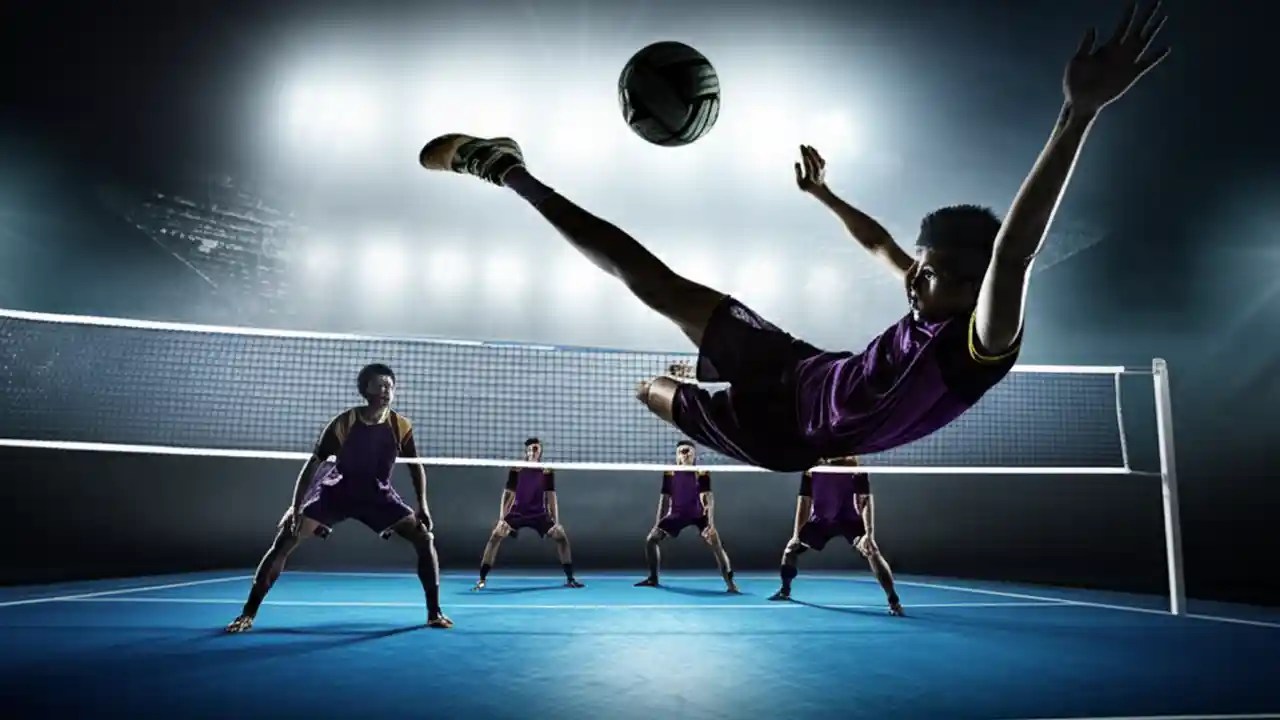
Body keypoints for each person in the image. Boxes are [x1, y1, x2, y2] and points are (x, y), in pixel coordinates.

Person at [416, 2, 1169, 472]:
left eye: (934, 273)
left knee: (653, 392)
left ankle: (667, 380)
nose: (915, 277)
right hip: (801, 366)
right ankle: (507, 169)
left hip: (789, 436)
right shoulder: (925, 294)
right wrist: (826, 195)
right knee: (650, 281)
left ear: (976, 288)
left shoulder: (981, 342)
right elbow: (881, 246)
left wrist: (1077, 114)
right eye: (922, 268)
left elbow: (1015, 251)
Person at [225, 363, 451, 632]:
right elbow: (314, 464)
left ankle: (434, 613)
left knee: (424, 538)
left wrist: (423, 505)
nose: (385, 391)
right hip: (336, 492)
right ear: (365, 390)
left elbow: (415, 466)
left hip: (377, 496)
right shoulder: (344, 422)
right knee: (286, 539)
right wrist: (296, 507)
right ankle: (247, 614)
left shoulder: (400, 425)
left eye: (389, 386)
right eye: (379, 385)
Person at [768, 458, 902, 615]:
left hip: (849, 520)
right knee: (790, 550)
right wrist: (796, 534)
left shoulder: (855, 468)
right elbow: (804, 501)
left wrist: (869, 534)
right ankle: (785, 590)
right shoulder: (811, 469)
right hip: (821, 521)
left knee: (872, 550)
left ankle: (894, 602)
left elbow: (865, 501)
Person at [473, 438, 584, 589]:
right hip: (517, 513)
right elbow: (507, 493)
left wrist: (556, 521)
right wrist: (501, 519)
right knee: (495, 536)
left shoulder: (546, 471)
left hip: (539, 514)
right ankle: (481, 579)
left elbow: (551, 495)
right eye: (530, 449)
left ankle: (570, 579)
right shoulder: (517, 469)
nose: (533, 451)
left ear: (540, 452)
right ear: (526, 451)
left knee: (561, 536)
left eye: (536, 449)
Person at [634, 440, 739, 592]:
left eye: (689, 451)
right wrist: (658, 523)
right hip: (677, 514)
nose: (685, 454)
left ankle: (731, 585)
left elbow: (708, 496)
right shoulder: (669, 472)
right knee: (651, 540)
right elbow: (665, 498)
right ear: (677, 456)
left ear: (694, 455)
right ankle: (653, 578)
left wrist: (710, 523)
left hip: (698, 514)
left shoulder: (701, 471)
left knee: (716, 544)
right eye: (682, 451)